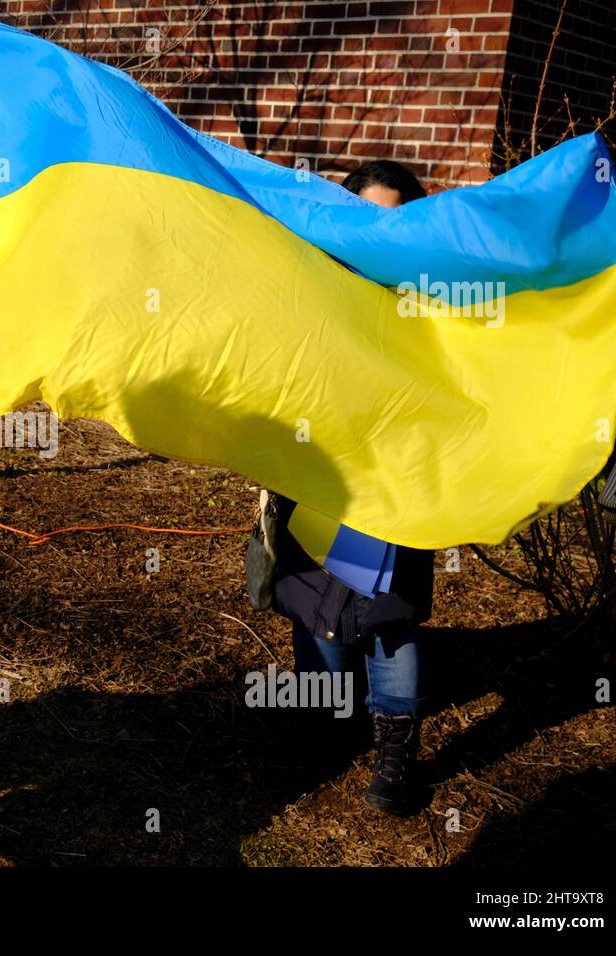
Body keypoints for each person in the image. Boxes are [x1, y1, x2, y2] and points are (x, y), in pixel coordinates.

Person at [269, 159, 434, 816]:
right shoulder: (306, 288)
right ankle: (323, 723)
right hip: (315, 477)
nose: (379, 234)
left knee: (391, 614)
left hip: (397, 483)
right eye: (365, 217)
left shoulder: (432, 297)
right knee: (317, 606)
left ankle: (396, 753)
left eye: (394, 219)